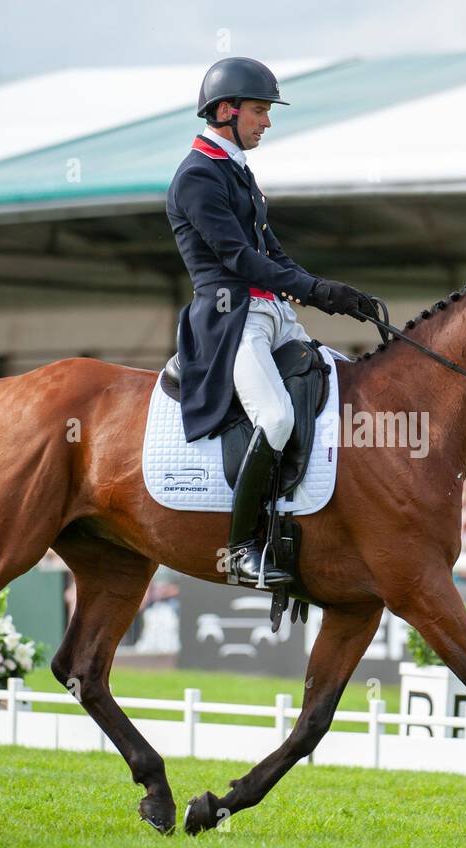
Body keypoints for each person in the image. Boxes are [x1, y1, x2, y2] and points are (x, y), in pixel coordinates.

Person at [166, 57, 377, 587]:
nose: (267, 122)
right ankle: (242, 548)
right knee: (277, 419)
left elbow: (275, 256)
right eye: (260, 111)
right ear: (225, 111)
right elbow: (238, 258)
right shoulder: (197, 177)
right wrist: (311, 289)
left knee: (337, 381)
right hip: (231, 318)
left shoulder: (238, 172)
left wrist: (333, 294)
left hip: (272, 313)